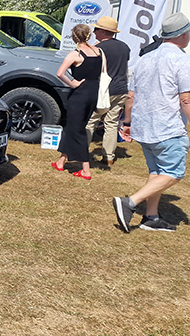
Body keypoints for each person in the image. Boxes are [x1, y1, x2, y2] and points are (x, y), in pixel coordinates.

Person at [113, 12, 190, 233]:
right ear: (183, 35)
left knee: (157, 171)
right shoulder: (182, 60)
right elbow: (185, 98)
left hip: (144, 126)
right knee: (174, 173)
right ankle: (130, 202)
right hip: (168, 126)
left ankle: (151, 217)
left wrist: (127, 122)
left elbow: (131, 96)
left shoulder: (144, 59)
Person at [51, 24, 101, 180]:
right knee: (72, 127)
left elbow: (60, 73)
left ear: (73, 37)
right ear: (89, 35)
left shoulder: (75, 54)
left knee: (77, 130)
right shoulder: (97, 51)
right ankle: (61, 162)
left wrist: (72, 83)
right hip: (94, 92)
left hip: (79, 94)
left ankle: (86, 169)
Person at [85, 16, 130, 166]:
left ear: (104, 32)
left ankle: (82, 152)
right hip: (121, 89)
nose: (94, 31)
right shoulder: (124, 47)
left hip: (105, 90)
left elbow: (93, 69)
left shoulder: (99, 48)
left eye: (97, 29)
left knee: (90, 120)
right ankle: (109, 156)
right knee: (111, 123)